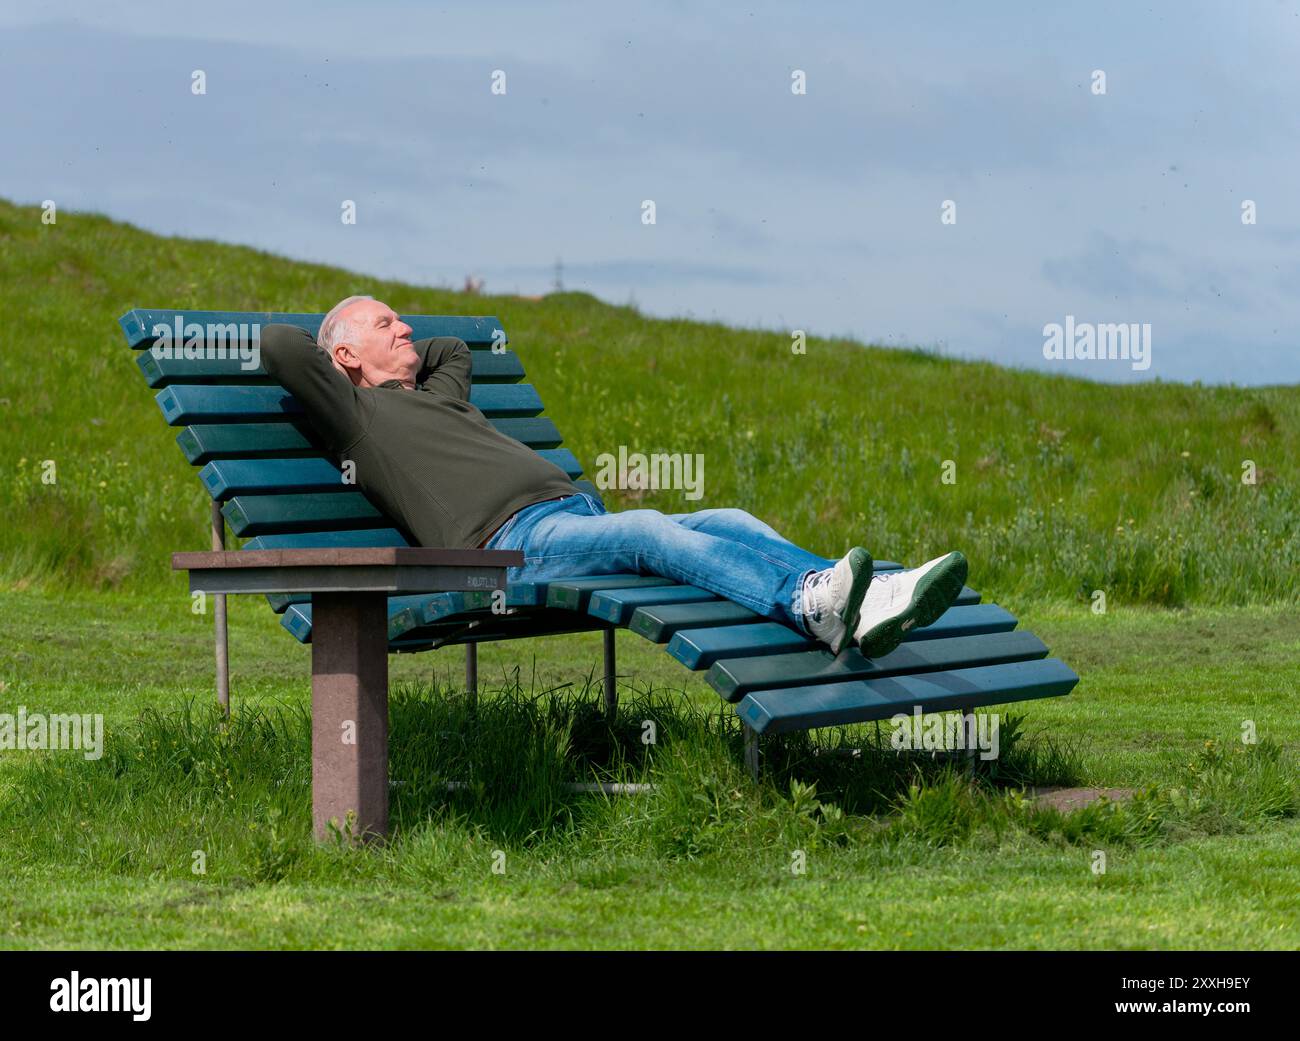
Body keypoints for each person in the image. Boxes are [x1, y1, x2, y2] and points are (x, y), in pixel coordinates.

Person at [258, 296, 968, 659]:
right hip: (506, 546)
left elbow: (453, 348)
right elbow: (281, 345)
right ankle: (807, 602)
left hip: (570, 515)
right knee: (649, 531)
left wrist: (393, 351)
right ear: (345, 354)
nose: (406, 329)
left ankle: (866, 595)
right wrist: (349, 358)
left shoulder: (437, 394)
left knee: (729, 518)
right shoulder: (353, 415)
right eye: (386, 325)